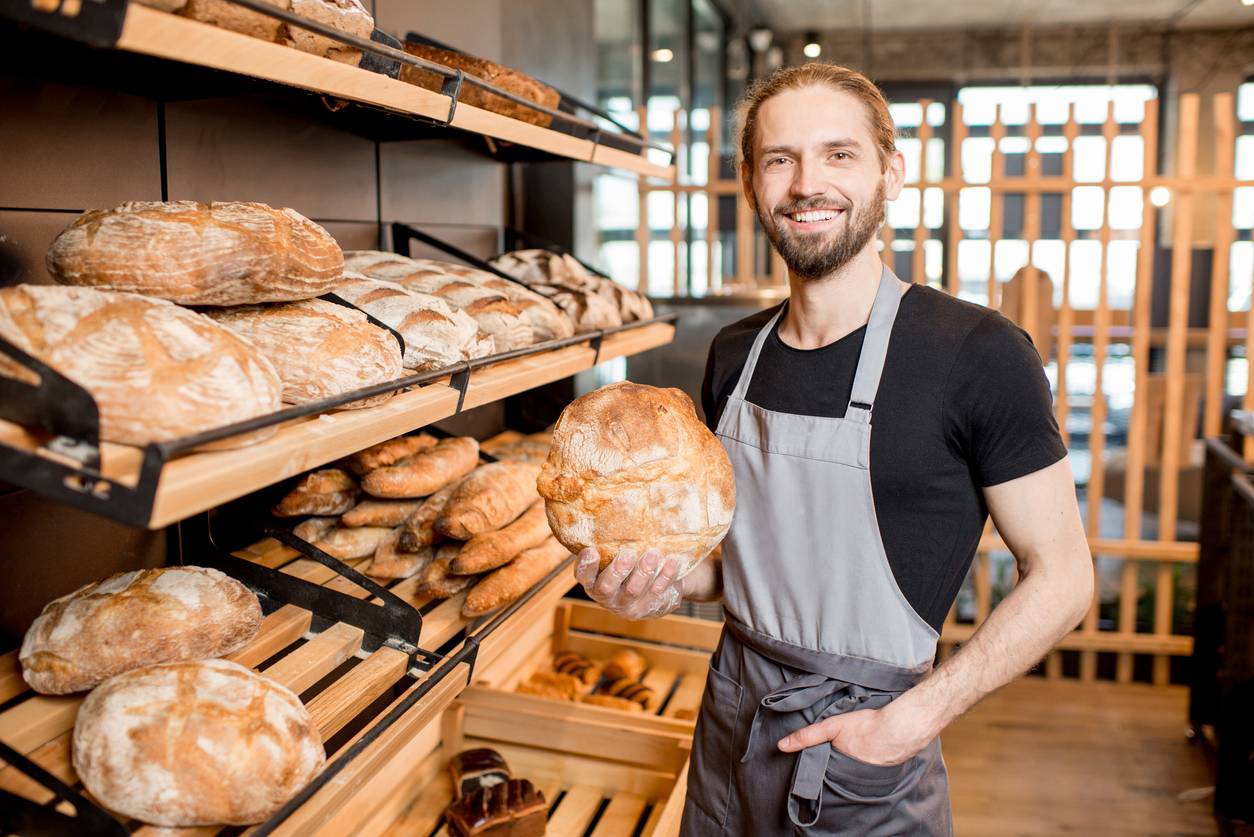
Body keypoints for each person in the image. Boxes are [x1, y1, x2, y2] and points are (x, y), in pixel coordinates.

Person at [574, 63, 1093, 835]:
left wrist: (913, 720)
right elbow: (735, 563)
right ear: (752, 182)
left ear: (893, 173)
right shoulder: (733, 355)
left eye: (838, 155)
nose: (806, 183)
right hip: (728, 726)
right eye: (780, 159)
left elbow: (1065, 576)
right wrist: (657, 580)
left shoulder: (977, 353)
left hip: (866, 758)